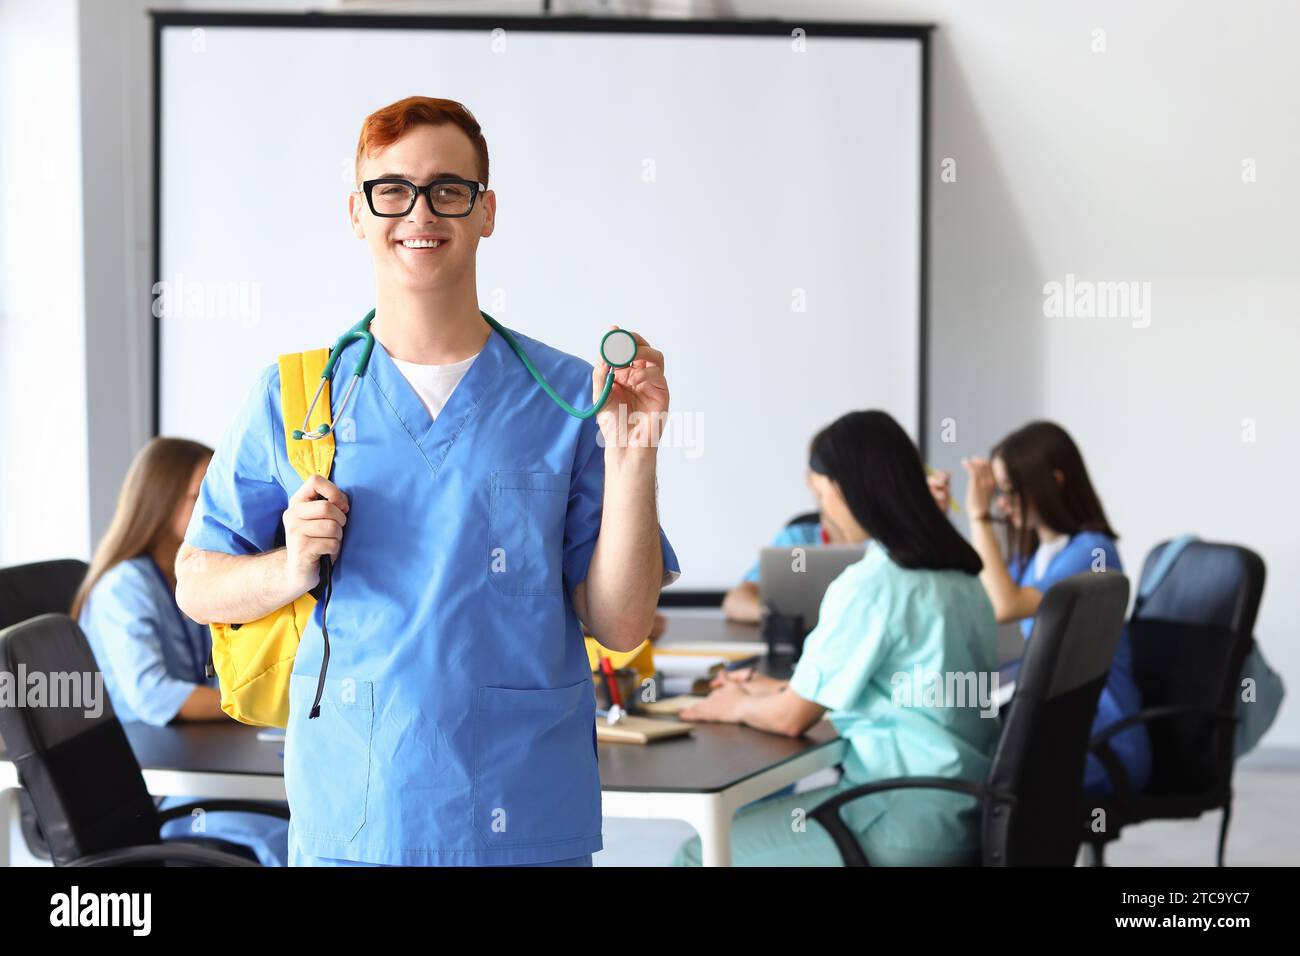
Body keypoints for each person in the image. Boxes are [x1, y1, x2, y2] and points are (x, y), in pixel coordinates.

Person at [175, 96, 680, 867]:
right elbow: (197, 583)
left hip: (525, 816)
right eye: (392, 189)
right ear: (357, 211)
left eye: (449, 188)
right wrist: (289, 566)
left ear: (486, 212)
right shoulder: (297, 396)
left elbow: (619, 624)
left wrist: (634, 452)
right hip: (358, 819)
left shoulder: (568, 395)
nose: (421, 211)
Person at [673, 411, 998, 866]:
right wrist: (776, 689)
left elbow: (790, 719)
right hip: (965, 811)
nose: (824, 510)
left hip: (896, 818)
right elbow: (907, 691)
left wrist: (735, 705)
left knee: (697, 854)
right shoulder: (963, 576)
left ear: (846, 489)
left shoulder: (874, 582)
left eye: (823, 494)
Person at [72, 437, 289, 866]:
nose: (215, 503)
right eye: (200, 493)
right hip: (153, 784)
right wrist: (259, 705)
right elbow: (156, 696)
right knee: (290, 828)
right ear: (161, 499)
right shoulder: (125, 587)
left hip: (194, 758)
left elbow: (218, 671)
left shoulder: (185, 578)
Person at [946, 420, 1151, 796]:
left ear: (1054, 481)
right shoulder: (1033, 560)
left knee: (973, 779)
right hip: (1062, 731)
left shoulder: (1093, 552)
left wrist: (979, 517)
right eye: (999, 495)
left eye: (1009, 491)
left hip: (1102, 742)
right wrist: (938, 519)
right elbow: (980, 593)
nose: (1003, 505)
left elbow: (1006, 605)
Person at [722, 470, 829, 624]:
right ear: (812, 481)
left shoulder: (875, 543)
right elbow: (736, 601)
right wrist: (782, 618)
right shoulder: (796, 540)